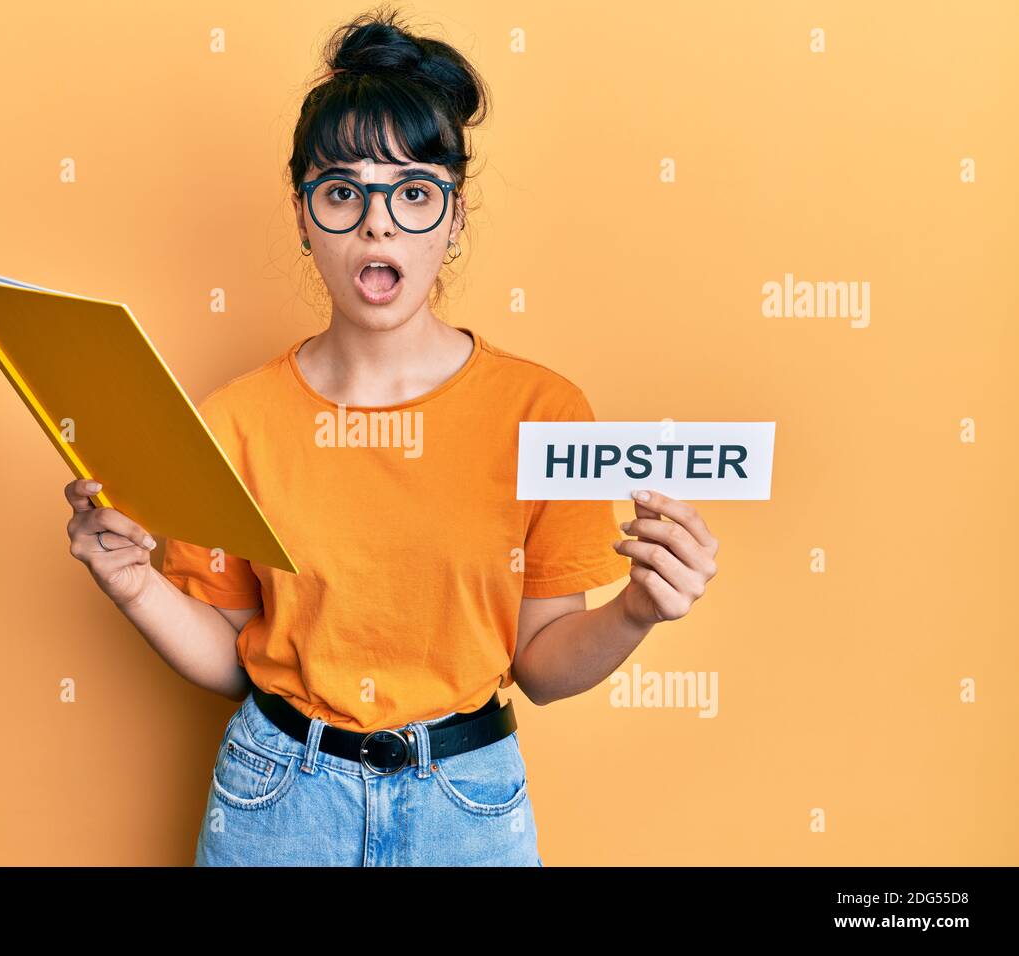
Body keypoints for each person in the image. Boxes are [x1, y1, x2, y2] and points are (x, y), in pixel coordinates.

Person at [62, 6, 719, 866]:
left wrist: (638, 608)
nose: (377, 224)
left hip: (468, 804)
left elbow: (543, 664)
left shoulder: (541, 411)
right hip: (275, 802)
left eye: (413, 193)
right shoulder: (232, 422)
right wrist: (132, 586)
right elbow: (232, 658)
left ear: (453, 219)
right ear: (303, 216)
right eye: (342, 192)